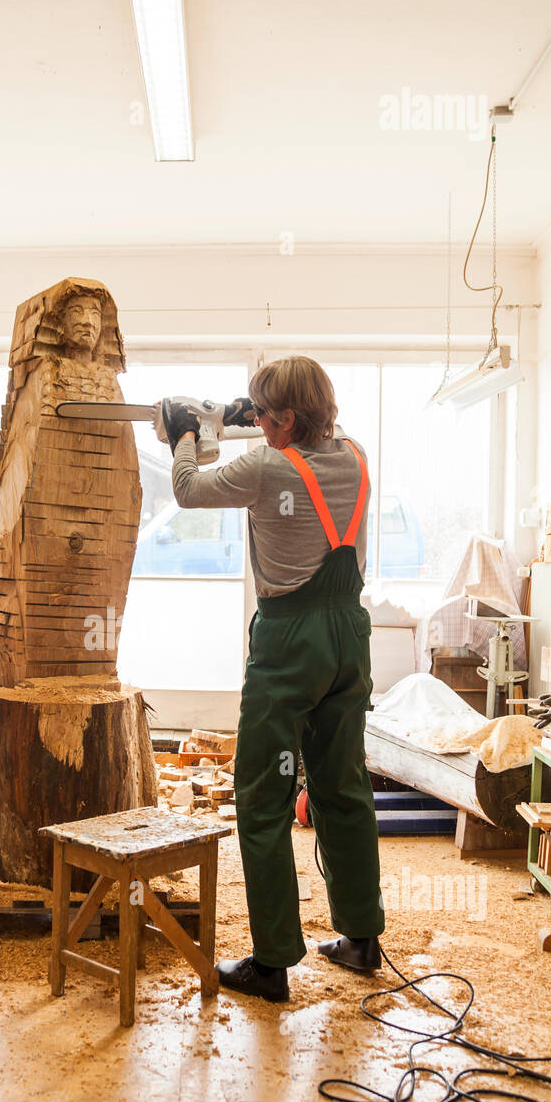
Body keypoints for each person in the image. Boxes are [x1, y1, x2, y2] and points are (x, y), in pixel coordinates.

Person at [165, 356, 383, 1003]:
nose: (256, 424)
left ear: (287, 419)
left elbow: (188, 490)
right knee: (342, 787)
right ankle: (362, 938)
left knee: (262, 797)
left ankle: (271, 963)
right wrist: (237, 414)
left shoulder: (265, 468)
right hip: (349, 635)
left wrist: (185, 433)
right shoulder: (355, 455)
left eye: (263, 414)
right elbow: (290, 439)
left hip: (291, 642)